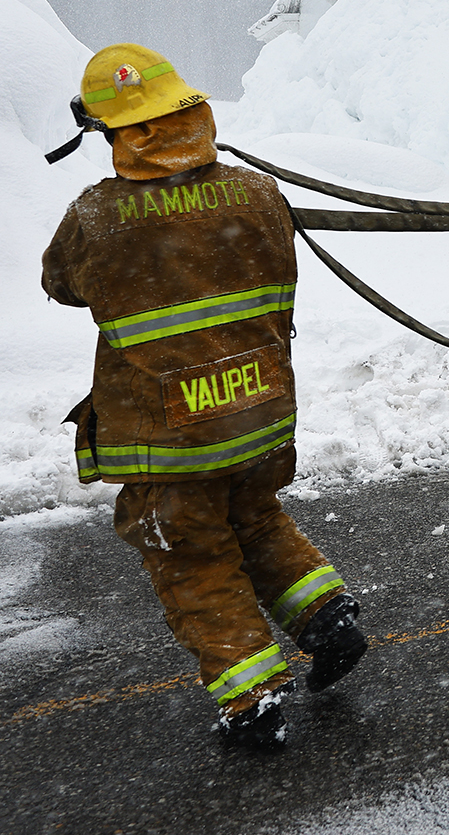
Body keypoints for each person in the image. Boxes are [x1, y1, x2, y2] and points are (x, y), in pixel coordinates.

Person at [41, 44, 368, 750]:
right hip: (259, 411)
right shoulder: (258, 191)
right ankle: (324, 614)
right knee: (252, 514)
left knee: (190, 552)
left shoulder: (98, 215)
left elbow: (61, 283)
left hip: (171, 431)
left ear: (122, 133)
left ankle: (250, 695)